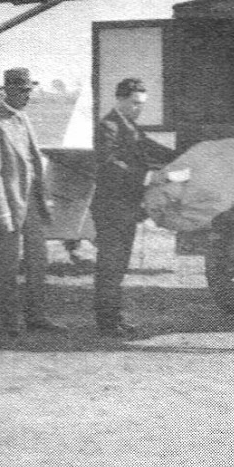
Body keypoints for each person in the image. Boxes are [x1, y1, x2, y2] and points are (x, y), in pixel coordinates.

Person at [92, 77, 177, 338]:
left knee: (118, 267)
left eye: (142, 104)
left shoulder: (130, 126)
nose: (138, 109)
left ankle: (114, 319)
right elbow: (108, 164)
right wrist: (146, 178)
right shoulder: (108, 126)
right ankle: (107, 323)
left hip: (124, 207)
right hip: (111, 208)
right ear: (119, 99)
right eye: (134, 103)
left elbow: (151, 148)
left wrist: (184, 156)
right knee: (110, 266)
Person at [0, 67, 60, 335]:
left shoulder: (24, 119)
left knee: (38, 261)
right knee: (9, 265)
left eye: (30, 90)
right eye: (23, 91)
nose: (28, 96)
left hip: (33, 205)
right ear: (9, 91)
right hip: (12, 206)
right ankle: (10, 321)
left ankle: (36, 316)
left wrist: (45, 200)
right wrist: (1, 213)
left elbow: (35, 164)